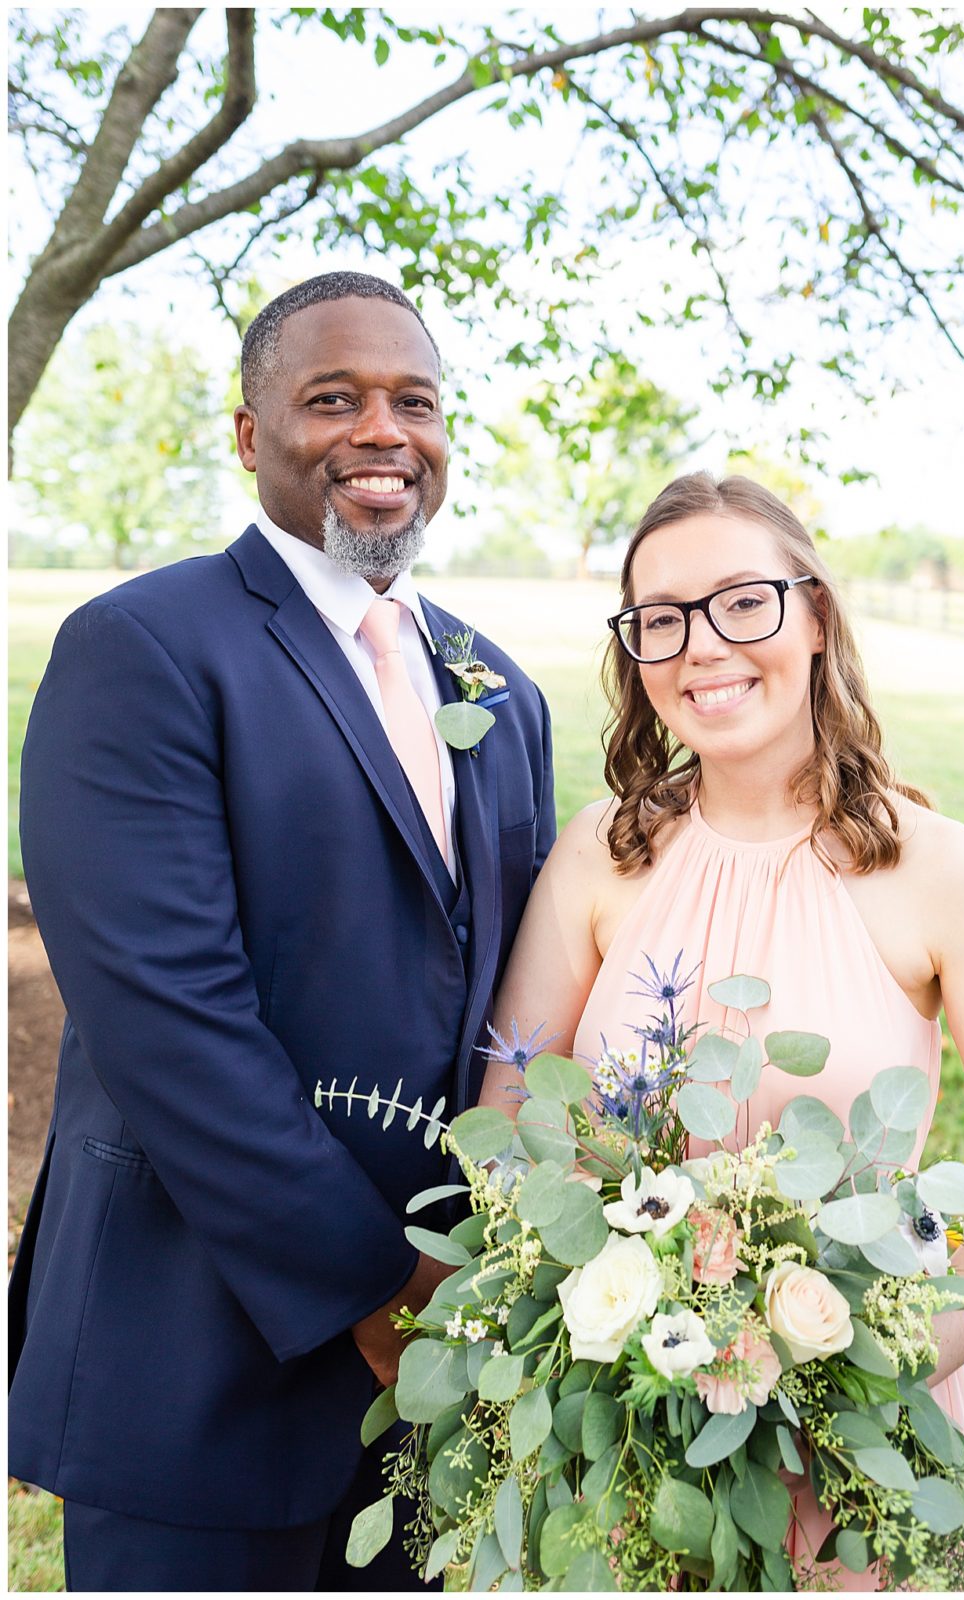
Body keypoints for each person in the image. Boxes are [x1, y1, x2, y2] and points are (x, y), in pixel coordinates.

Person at [9, 270, 556, 1592]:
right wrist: (375, 1295)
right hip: (197, 1362)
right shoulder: (142, 648)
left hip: (442, 1385)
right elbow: (167, 1012)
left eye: (412, 403)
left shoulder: (503, 689)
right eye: (333, 399)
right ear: (252, 435)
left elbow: (525, 998)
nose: (382, 432)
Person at [480, 471, 964, 1591]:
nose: (701, 644)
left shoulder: (942, 871)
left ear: (814, 616)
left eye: (742, 601)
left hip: (863, 1447)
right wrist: (602, 1359)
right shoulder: (602, 851)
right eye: (661, 617)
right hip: (637, 1446)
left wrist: (840, 1391)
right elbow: (506, 1128)